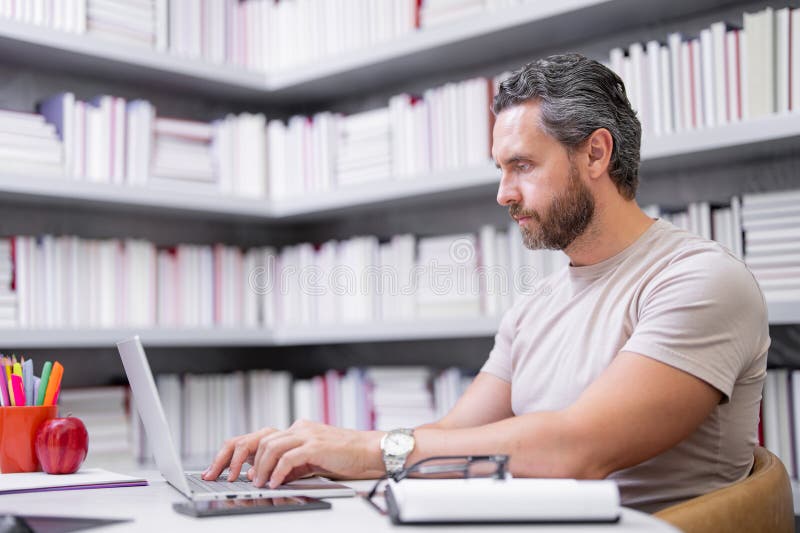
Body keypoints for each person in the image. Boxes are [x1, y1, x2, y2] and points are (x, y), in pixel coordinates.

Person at [203, 53, 769, 513]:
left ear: (596, 153)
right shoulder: (535, 307)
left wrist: (368, 449)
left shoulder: (701, 280)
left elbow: (578, 448)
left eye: (522, 165)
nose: (503, 193)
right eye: (499, 168)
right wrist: (323, 453)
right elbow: (451, 440)